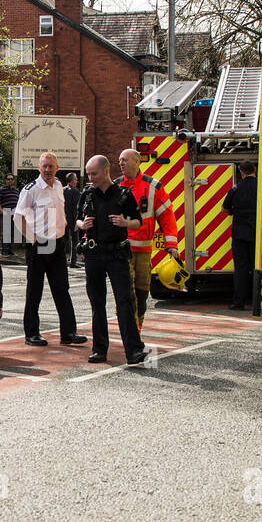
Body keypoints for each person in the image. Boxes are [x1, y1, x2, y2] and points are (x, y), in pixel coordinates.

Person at [76, 154, 147, 365]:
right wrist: (82, 225)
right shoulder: (87, 195)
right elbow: (76, 220)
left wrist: (125, 222)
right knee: (97, 303)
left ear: (106, 171)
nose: (91, 178)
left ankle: (134, 350)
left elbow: (138, 222)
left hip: (117, 254)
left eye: (94, 173)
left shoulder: (123, 194)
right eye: (88, 174)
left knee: (125, 301)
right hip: (94, 254)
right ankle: (99, 349)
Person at [14, 152, 86, 348]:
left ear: (57, 168)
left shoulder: (58, 188)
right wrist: (32, 238)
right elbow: (18, 216)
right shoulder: (31, 189)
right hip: (39, 245)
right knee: (34, 291)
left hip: (58, 243)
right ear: (39, 167)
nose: (47, 170)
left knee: (62, 290)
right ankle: (32, 334)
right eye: (44, 166)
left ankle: (69, 333)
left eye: (51, 166)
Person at [116, 148, 180, 329]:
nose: (121, 163)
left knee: (142, 292)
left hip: (143, 251)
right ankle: (129, 330)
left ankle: (137, 327)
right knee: (126, 292)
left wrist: (171, 244)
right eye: (120, 160)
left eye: (125, 160)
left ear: (137, 162)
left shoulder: (154, 187)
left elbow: (167, 217)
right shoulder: (115, 186)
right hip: (121, 250)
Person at [223, 160, 257, 311]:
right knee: (257, 268)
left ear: (241, 172)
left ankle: (239, 302)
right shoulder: (261, 186)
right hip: (257, 233)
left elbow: (224, 209)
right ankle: (259, 301)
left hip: (239, 234)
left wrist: (234, 211)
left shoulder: (236, 188)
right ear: (254, 170)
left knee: (241, 269)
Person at [0, 172, 20, 256]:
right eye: (8, 179)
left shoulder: (16, 190)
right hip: (6, 212)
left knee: (12, 232)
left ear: (13, 180)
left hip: (14, 214)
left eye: (12, 179)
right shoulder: (2, 189)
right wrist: (1, 211)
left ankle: (9, 250)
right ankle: (4, 251)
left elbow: (19, 202)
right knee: (6, 232)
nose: (10, 180)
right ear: (6, 180)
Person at [63, 172, 82, 268]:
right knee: (74, 241)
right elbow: (76, 208)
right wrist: (76, 223)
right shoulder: (75, 192)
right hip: (72, 219)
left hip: (63, 219)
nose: (77, 181)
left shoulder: (63, 190)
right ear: (72, 181)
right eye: (75, 179)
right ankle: (73, 262)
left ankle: (61, 261)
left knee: (63, 240)